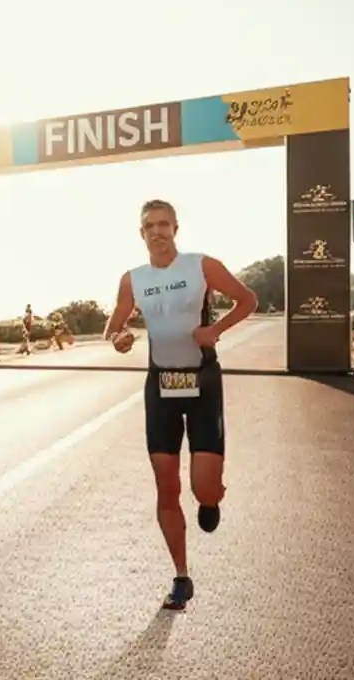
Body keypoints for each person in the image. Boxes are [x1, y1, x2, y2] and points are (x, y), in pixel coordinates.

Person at [103, 198, 257, 611]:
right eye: (149, 225)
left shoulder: (202, 265)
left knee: (202, 487)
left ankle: (210, 500)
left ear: (175, 228)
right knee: (166, 486)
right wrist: (118, 339)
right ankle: (181, 577)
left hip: (203, 382)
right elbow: (114, 326)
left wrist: (215, 330)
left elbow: (248, 300)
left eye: (164, 224)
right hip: (161, 386)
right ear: (141, 233)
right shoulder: (132, 279)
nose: (157, 231)